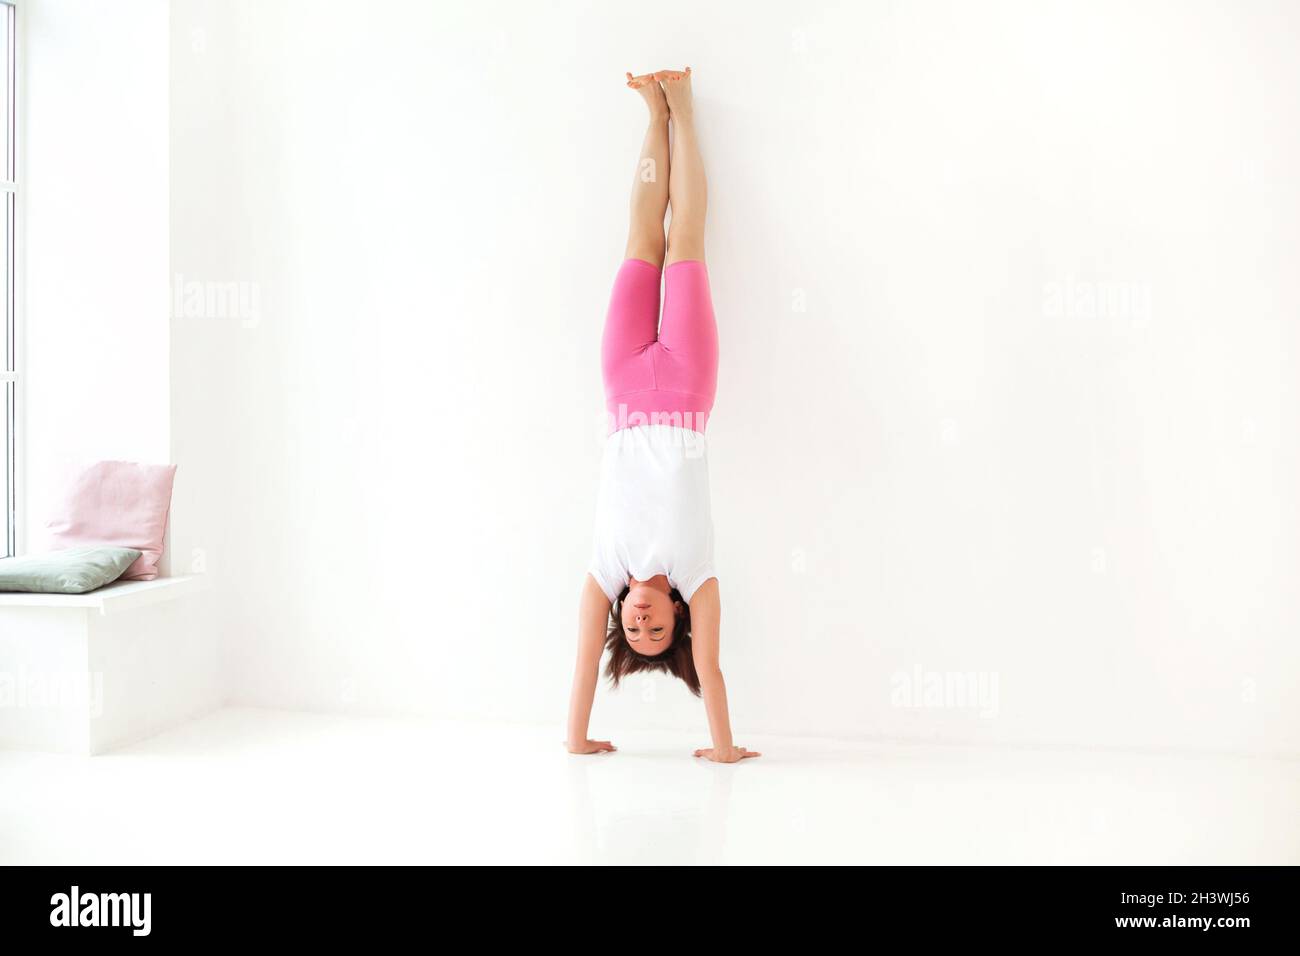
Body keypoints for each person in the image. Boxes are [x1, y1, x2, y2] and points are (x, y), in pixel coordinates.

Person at [564, 68, 760, 764]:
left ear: (620, 615)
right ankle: (685, 110)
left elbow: (584, 663)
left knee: (642, 237)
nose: (641, 623)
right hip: (686, 384)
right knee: (686, 240)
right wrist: (723, 748)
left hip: (621, 385)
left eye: (632, 631)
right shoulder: (695, 573)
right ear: (679, 615)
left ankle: (654, 114)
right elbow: (710, 669)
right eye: (657, 632)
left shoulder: (605, 570)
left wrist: (577, 739)